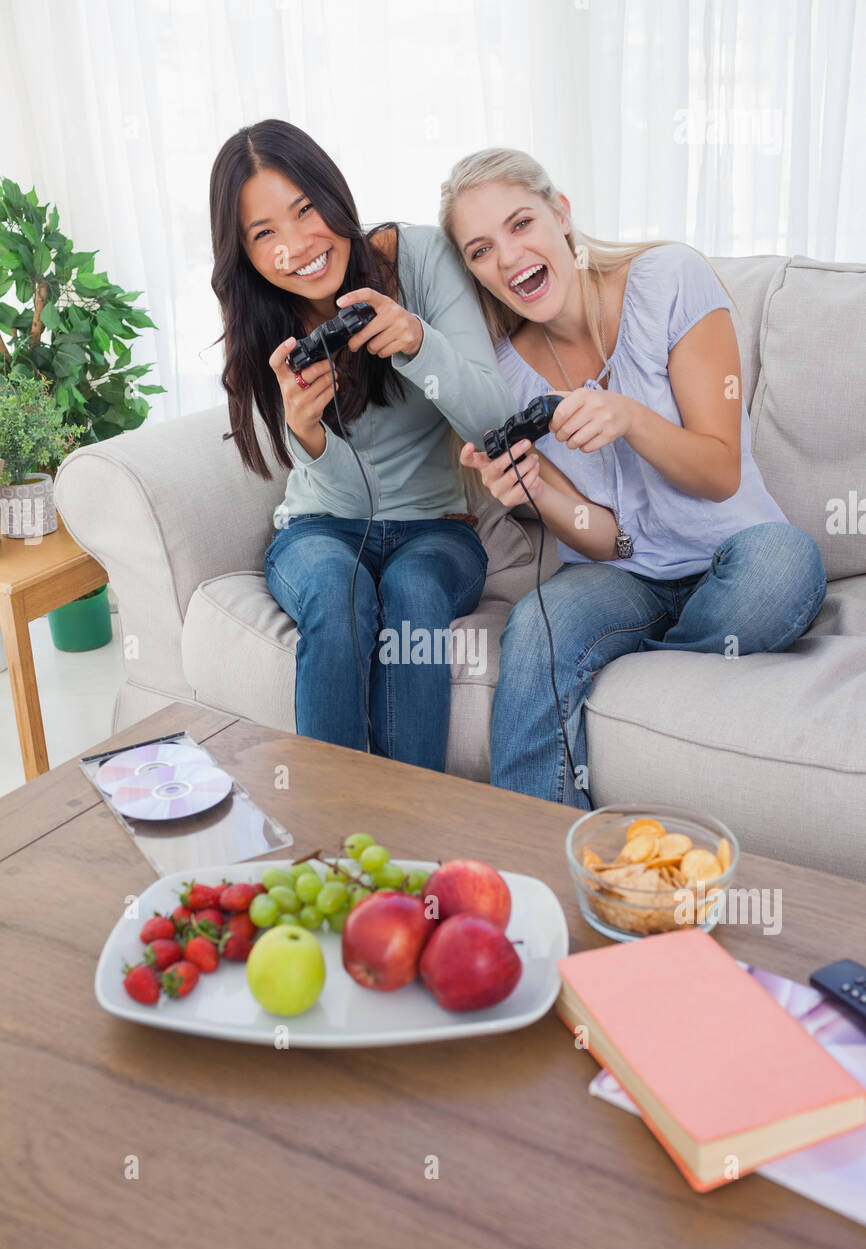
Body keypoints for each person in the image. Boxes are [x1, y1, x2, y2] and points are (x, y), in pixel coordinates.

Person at [439, 147, 827, 808]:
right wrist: (539, 489)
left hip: (732, 558)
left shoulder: (669, 279)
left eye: (520, 224)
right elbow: (604, 540)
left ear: (561, 214)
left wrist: (630, 418)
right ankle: (536, 861)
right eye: (479, 250)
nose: (506, 258)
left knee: (783, 567)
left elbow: (718, 472)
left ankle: (635, 657)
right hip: (620, 576)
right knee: (539, 625)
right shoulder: (503, 374)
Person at [209, 119, 515, 770]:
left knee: (415, 592)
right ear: (246, 254)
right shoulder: (270, 319)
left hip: (437, 528)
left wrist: (416, 342)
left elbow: (495, 421)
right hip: (319, 526)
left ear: (336, 194)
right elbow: (351, 500)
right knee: (334, 585)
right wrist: (311, 435)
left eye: (305, 209)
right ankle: (333, 834)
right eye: (264, 235)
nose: (296, 246)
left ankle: (411, 821)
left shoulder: (424, 258)